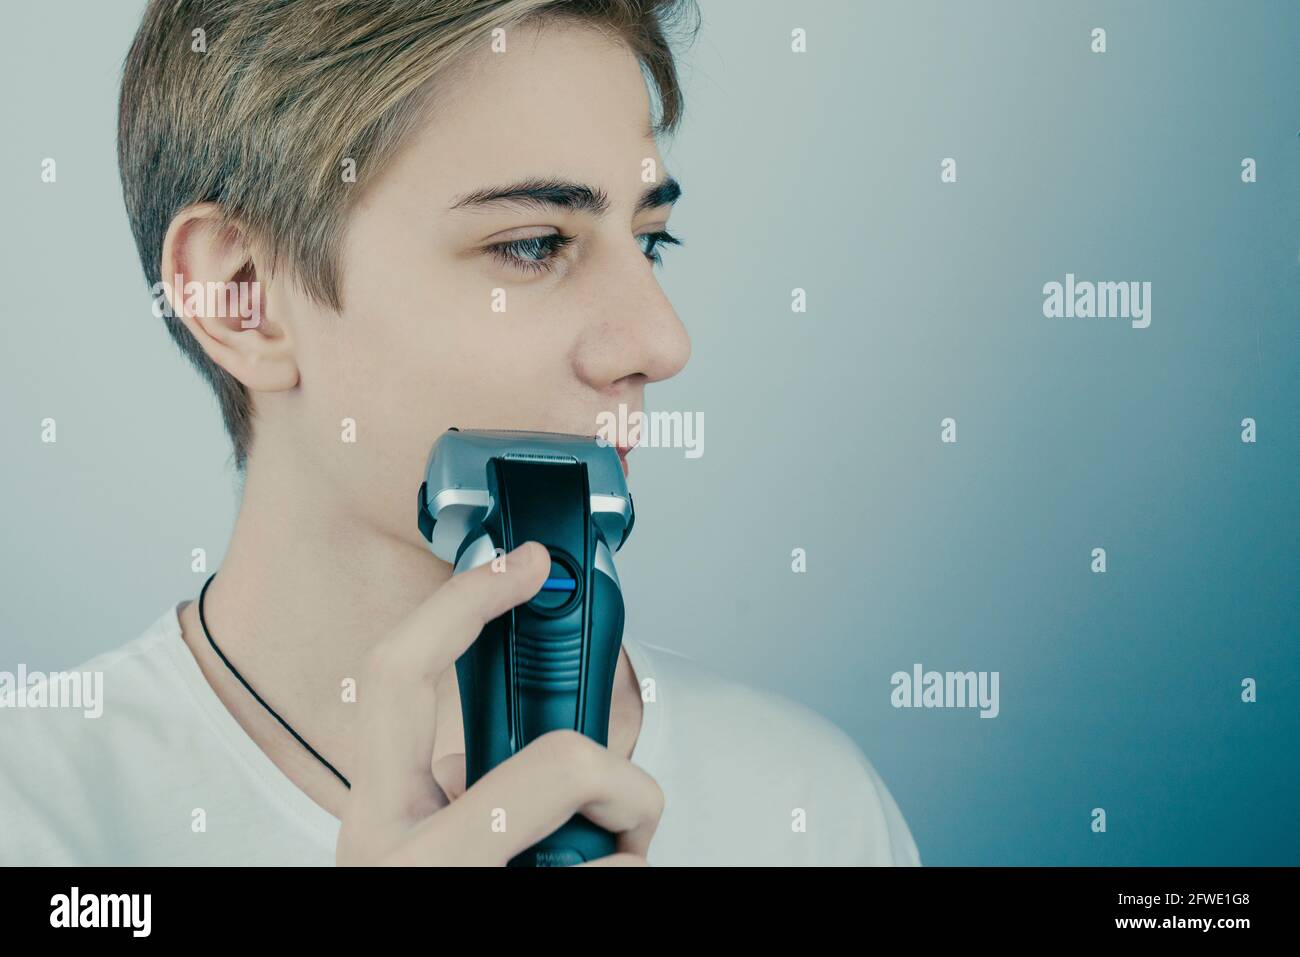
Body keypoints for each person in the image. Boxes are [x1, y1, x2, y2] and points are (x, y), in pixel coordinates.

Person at [0, 0, 920, 866]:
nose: (660, 342)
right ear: (241, 294)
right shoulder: (34, 817)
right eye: (531, 244)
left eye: (650, 241)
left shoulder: (810, 809)